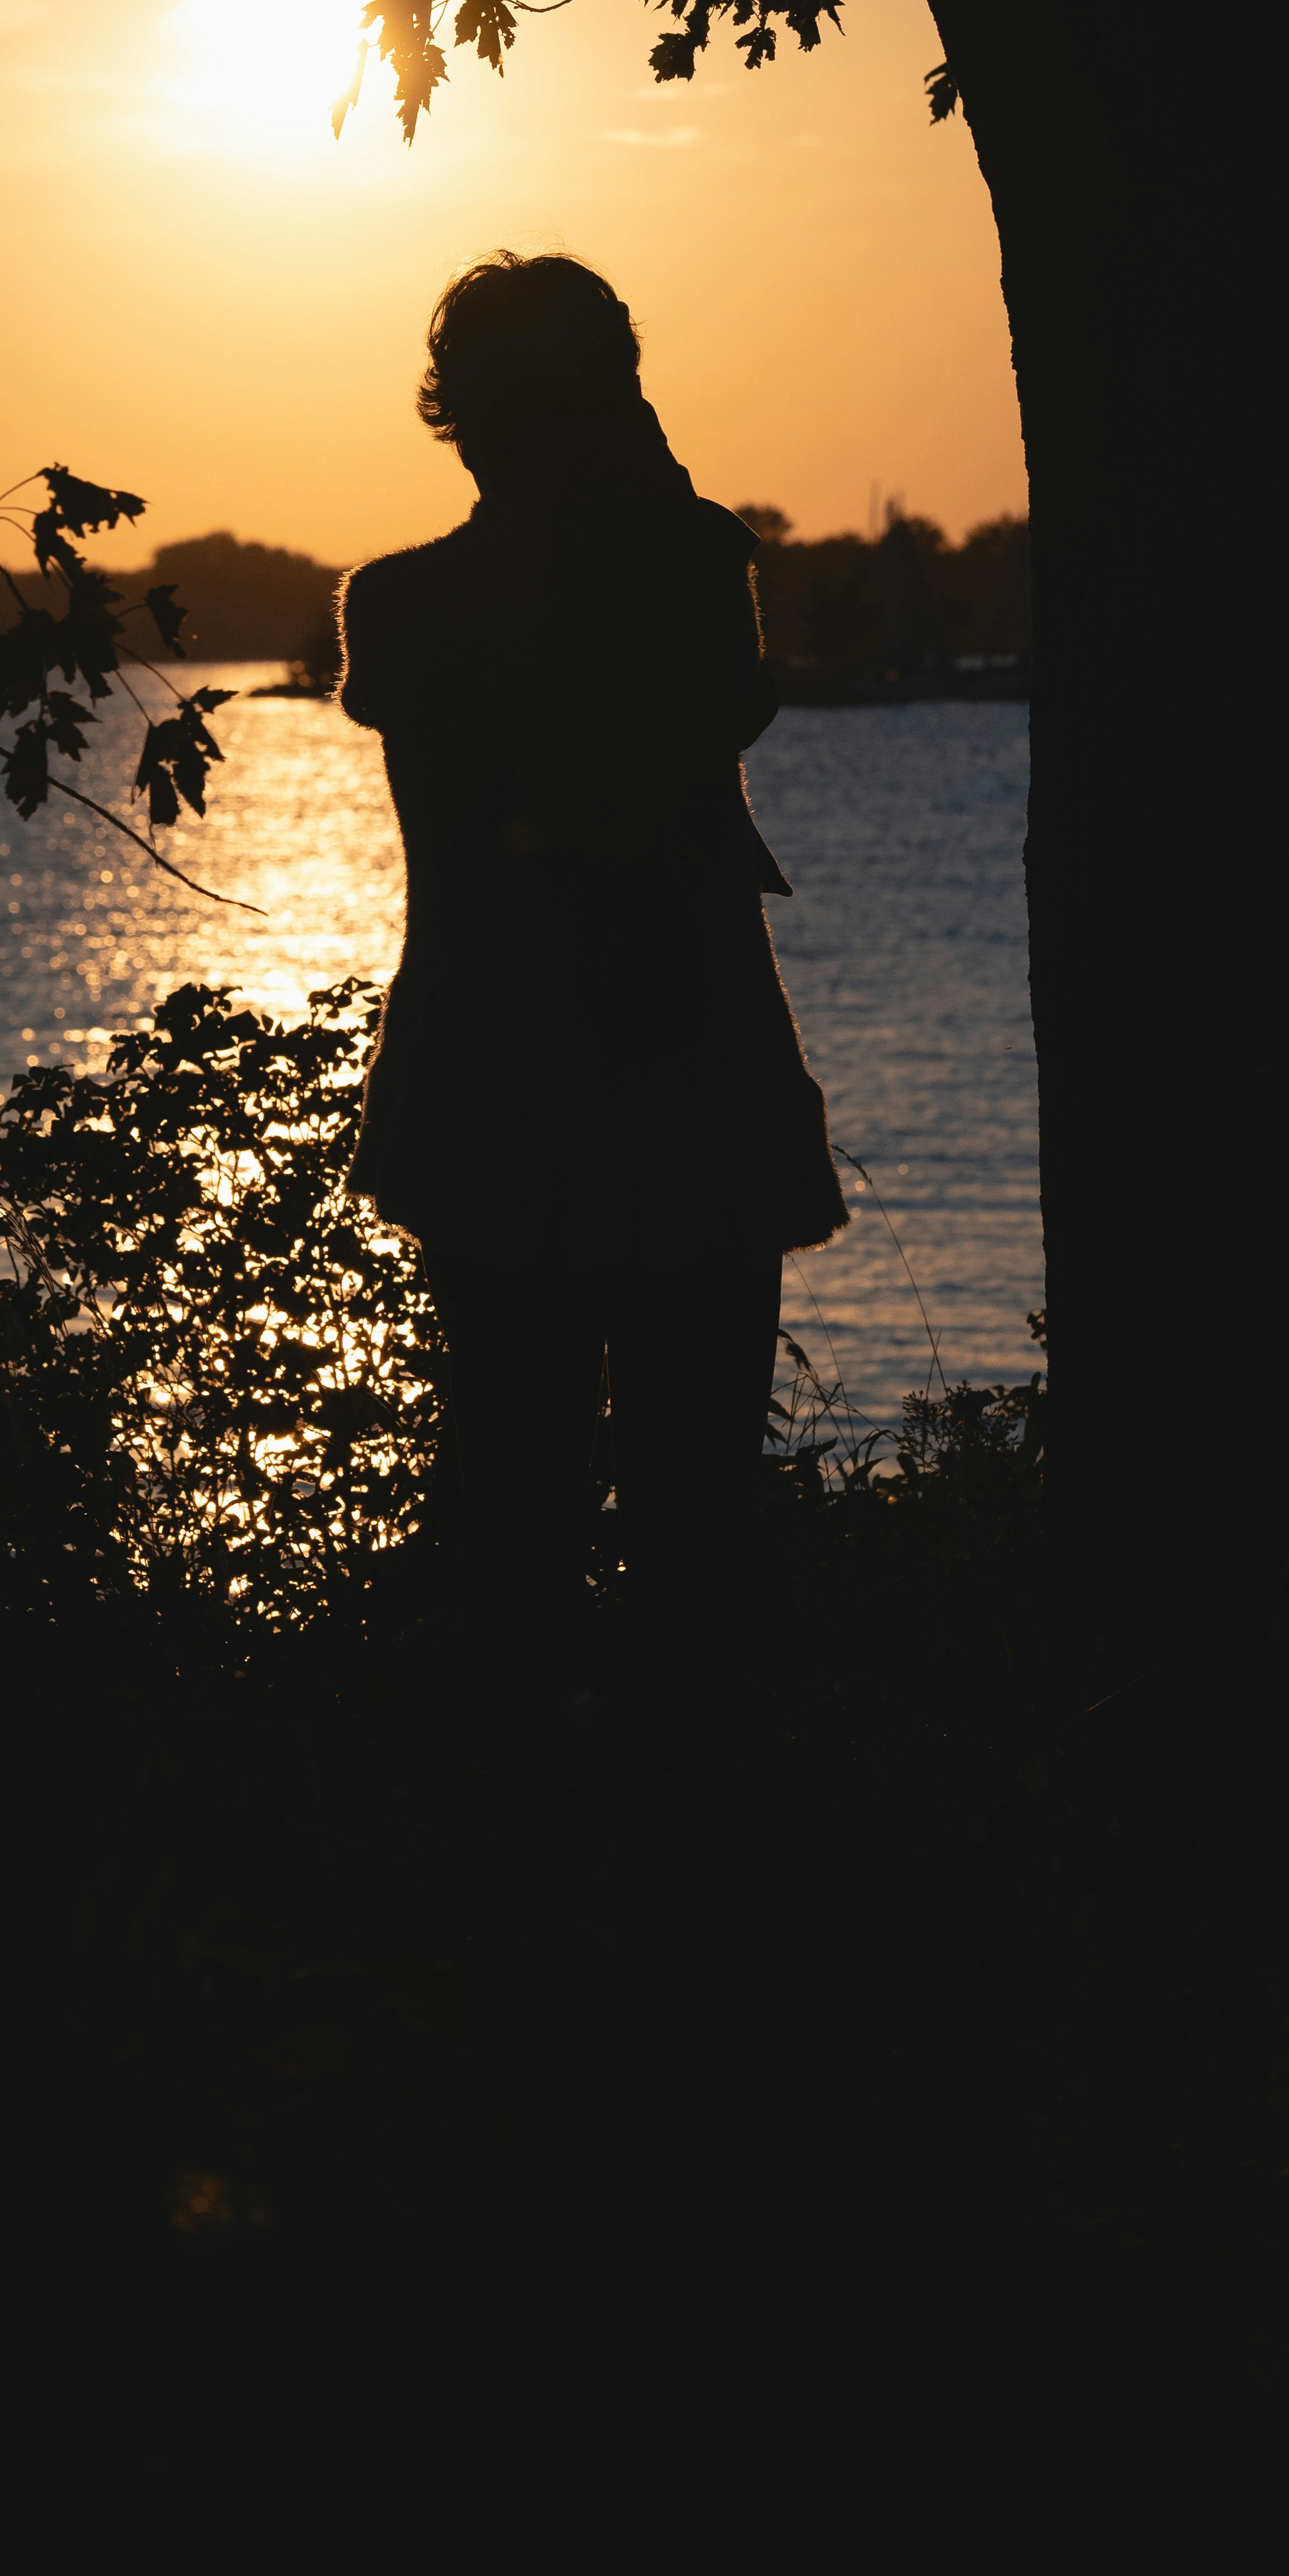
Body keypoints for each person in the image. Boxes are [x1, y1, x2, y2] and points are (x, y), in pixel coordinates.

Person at [337, 252, 847, 1676]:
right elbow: (716, 698)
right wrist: (652, 484)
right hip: (677, 1086)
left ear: (463, 415)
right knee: (680, 1514)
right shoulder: (677, 572)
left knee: (512, 1493)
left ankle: (514, 1804)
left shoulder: (402, 603)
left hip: (503, 1089)